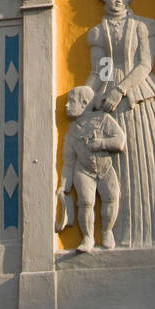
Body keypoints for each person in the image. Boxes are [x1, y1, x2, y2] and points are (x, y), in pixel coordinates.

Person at [86, 0, 155, 247]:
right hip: (109, 101)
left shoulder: (143, 26)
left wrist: (120, 90)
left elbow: (145, 65)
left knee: (144, 161)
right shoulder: (98, 32)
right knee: (116, 168)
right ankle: (119, 232)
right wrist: (88, 96)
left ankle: (153, 232)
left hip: (139, 97)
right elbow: (98, 71)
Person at [58, 84, 125, 250]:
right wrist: (65, 184)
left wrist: (102, 143)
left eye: (71, 101)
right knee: (86, 202)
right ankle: (87, 238)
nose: (66, 105)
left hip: (105, 167)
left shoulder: (104, 119)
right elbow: (69, 160)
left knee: (111, 197)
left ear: (84, 103)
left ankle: (107, 231)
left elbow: (120, 141)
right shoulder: (72, 130)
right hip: (83, 170)